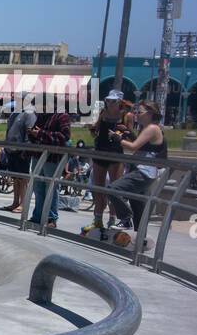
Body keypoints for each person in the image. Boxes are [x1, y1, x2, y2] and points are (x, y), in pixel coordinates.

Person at [104, 101, 167, 240]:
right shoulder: (147, 128)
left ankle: (126, 218)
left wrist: (118, 138)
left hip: (143, 172)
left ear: (150, 114)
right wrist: (128, 133)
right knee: (138, 206)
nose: (136, 115)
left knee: (112, 190)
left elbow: (133, 147)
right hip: (144, 171)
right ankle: (140, 239)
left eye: (140, 112)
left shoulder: (152, 128)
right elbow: (142, 145)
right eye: (136, 112)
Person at [82, 90, 132, 235]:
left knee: (113, 189)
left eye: (113, 101)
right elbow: (96, 129)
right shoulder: (103, 112)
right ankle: (97, 219)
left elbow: (130, 136)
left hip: (115, 153)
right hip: (100, 150)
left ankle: (113, 219)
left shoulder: (126, 115)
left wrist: (123, 132)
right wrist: (92, 129)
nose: (110, 103)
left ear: (120, 102)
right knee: (98, 187)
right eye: (108, 100)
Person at [27, 99, 72, 228]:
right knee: (38, 187)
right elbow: (37, 133)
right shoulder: (41, 116)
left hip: (52, 158)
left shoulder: (62, 116)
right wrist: (31, 133)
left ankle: (51, 218)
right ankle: (38, 216)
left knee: (51, 188)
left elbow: (65, 136)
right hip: (38, 156)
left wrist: (40, 133)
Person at [0, 101, 37, 212]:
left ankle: (23, 204)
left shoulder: (29, 113)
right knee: (15, 178)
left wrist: (26, 150)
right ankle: (15, 202)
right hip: (11, 150)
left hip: (21, 151)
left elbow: (30, 132)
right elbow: (9, 130)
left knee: (23, 179)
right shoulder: (15, 113)